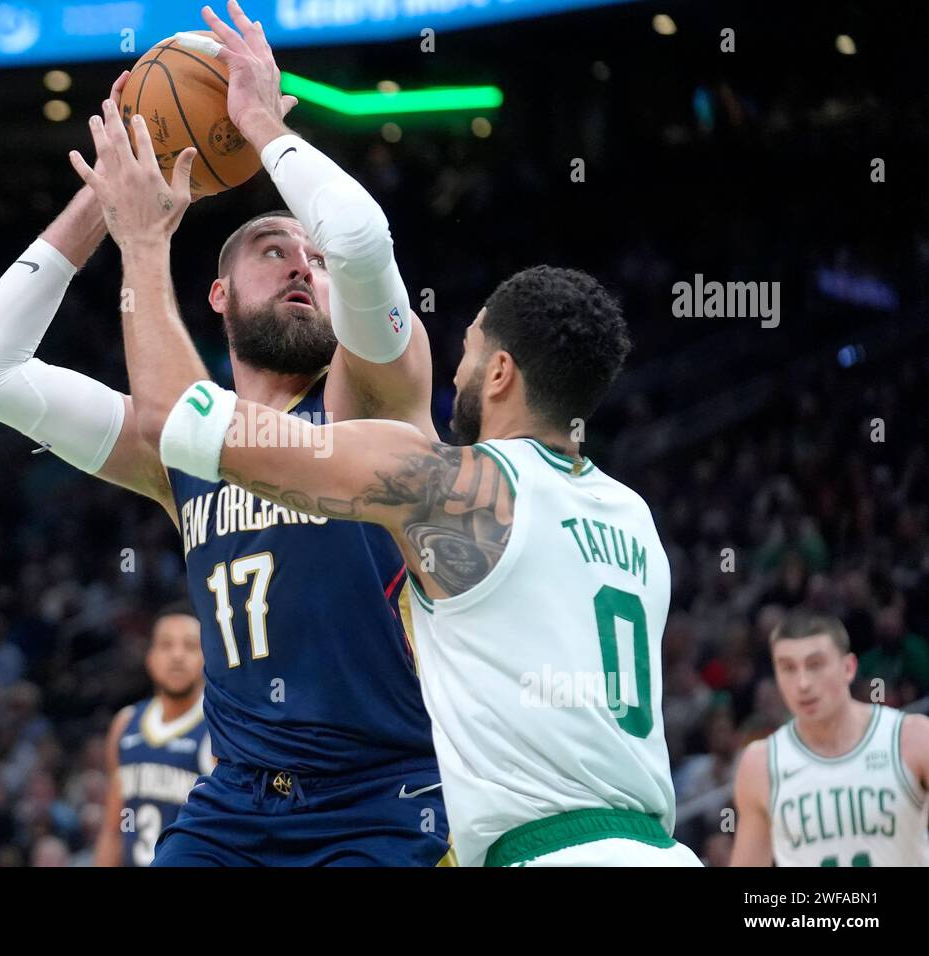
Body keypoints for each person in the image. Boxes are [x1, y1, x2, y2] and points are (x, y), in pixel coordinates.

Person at [70, 91, 700, 866]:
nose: (453, 370)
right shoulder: (630, 515)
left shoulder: (445, 486)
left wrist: (154, 224)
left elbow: (179, 413)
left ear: (498, 372)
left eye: (466, 351)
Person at [0, 0, 449, 865]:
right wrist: (109, 197)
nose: (304, 264)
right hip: (236, 800)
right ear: (218, 298)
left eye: (312, 261)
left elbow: (360, 244)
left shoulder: (371, 401)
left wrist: (257, 126)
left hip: (387, 793)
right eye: (273, 251)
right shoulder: (173, 452)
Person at [730, 611, 929, 866]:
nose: (802, 683)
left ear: (848, 668)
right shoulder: (759, 764)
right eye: (788, 668)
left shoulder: (912, 738)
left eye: (815, 665)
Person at [94, 604, 210, 867]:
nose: (177, 655)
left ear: (208, 657)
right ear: (150, 658)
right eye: (166, 645)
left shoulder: (218, 729)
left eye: (190, 646)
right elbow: (113, 831)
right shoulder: (125, 724)